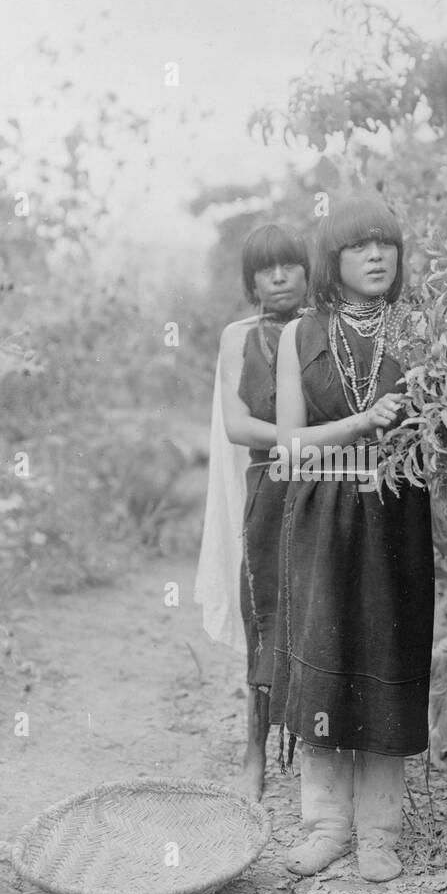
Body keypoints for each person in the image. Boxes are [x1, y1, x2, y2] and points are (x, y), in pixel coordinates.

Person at [271, 194, 434, 881]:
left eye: (386, 245)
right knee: (322, 658)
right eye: (360, 246)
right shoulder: (298, 337)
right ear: (332, 262)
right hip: (317, 511)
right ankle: (326, 826)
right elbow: (287, 448)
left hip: (394, 510)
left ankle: (380, 832)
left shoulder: (424, 331)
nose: (376, 256)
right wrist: (364, 422)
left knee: (385, 657)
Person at [197, 222, 309, 800]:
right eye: (267, 268)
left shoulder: (325, 329)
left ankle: (324, 762)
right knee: (264, 613)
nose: (280, 275)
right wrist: (305, 439)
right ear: (251, 280)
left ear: (309, 270)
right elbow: (238, 424)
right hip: (271, 483)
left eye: (289, 264)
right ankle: (253, 757)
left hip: (328, 485)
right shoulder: (239, 336)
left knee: (319, 614)